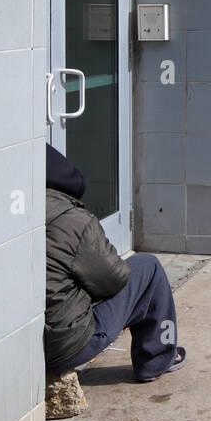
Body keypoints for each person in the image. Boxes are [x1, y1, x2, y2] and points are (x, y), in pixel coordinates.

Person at [44, 144, 185, 383]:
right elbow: (113, 282)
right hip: (64, 347)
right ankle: (157, 359)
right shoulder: (74, 221)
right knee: (148, 267)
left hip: (19, 347)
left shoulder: (8, 213)